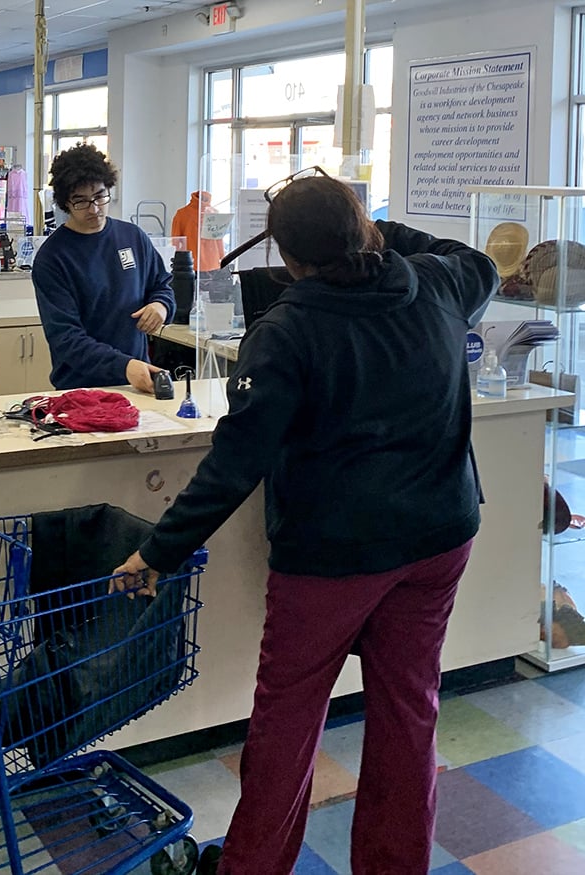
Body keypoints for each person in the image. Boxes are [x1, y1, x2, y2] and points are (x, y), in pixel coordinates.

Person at [111, 170, 500, 875]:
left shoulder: (285, 331)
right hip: (440, 537)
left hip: (334, 555)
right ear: (365, 231)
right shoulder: (439, 284)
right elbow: (479, 259)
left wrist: (157, 553)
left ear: (286, 257)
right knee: (410, 709)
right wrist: (378, 232)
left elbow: (235, 463)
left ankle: (252, 867)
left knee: (288, 719)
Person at [32, 143, 175, 391]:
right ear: (65, 203)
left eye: (99, 196)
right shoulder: (53, 258)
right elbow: (66, 338)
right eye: (81, 201)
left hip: (137, 383)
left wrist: (161, 305)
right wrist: (123, 366)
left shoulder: (132, 237)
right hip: (80, 390)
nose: (94, 209)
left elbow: (163, 284)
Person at [171, 190, 225, 271]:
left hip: (190, 263)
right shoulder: (214, 213)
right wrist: (222, 257)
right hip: (212, 263)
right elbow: (219, 240)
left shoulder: (181, 214)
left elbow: (175, 242)